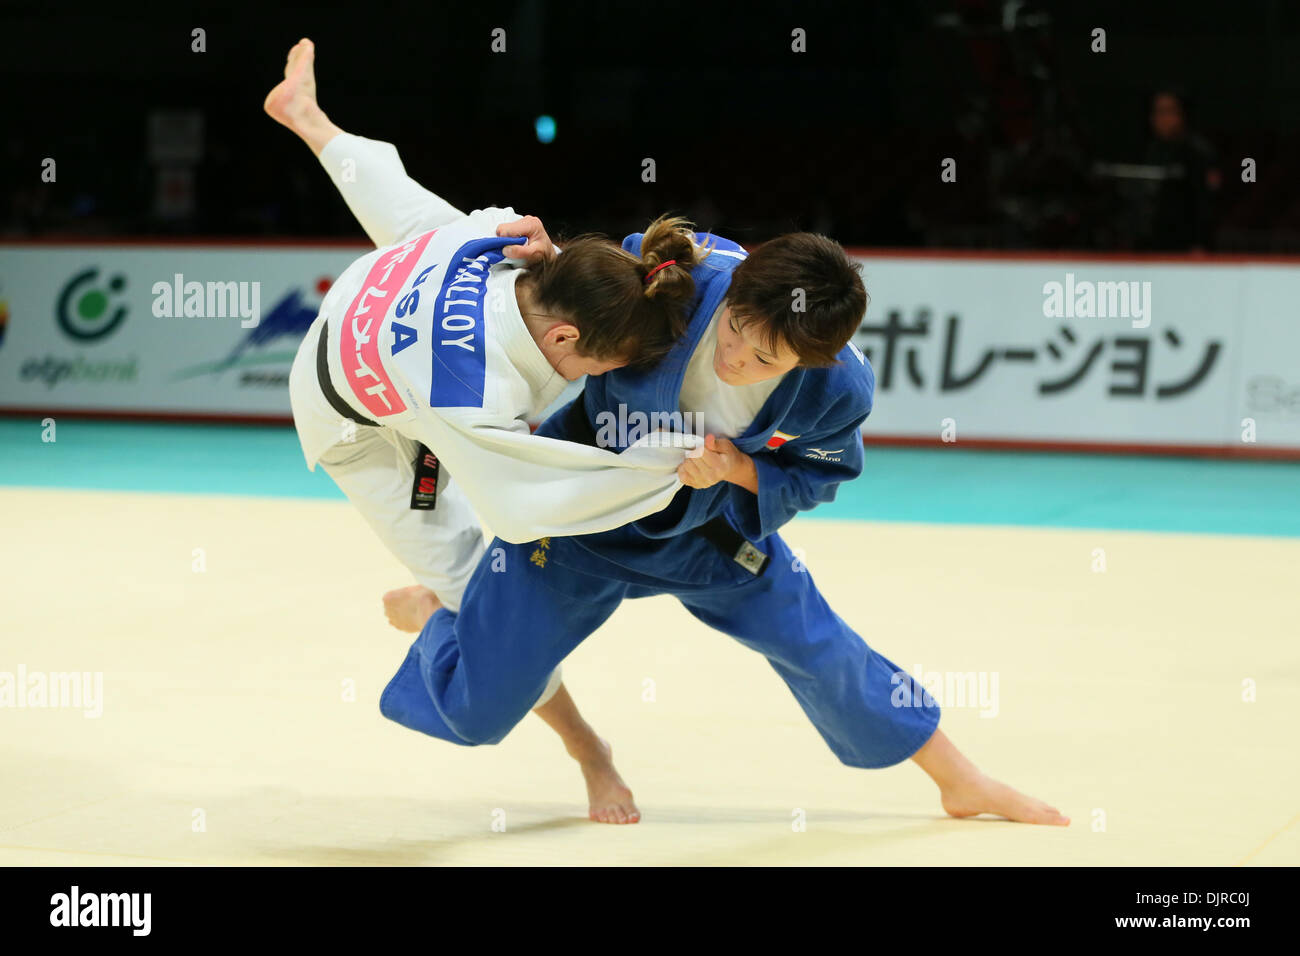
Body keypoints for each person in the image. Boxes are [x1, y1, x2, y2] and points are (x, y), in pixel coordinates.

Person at [378, 217, 1070, 827]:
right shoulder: (695, 272)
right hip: (577, 519)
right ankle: (555, 716)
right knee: (475, 713)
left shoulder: (838, 389)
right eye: (736, 327)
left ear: (810, 360)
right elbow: (594, 292)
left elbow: (817, 477)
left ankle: (961, 782)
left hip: (709, 535)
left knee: (821, 647)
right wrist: (547, 260)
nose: (735, 355)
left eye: (765, 358)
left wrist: (738, 470)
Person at [265, 38, 705, 719]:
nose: (605, 379)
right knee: (481, 588)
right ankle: (588, 749)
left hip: (393, 295)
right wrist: (678, 463)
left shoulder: (500, 239)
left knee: (420, 220)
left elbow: (412, 212)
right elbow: (526, 504)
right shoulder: (471, 396)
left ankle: (308, 118)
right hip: (357, 421)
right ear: (564, 335)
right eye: (605, 362)